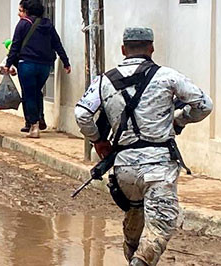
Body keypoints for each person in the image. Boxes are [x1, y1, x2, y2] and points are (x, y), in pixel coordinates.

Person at [74, 27, 213, 266]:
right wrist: (179, 120)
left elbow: (82, 113)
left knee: (135, 215)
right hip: (158, 166)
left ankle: (133, 256)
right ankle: (139, 262)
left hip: (124, 168)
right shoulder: (167, 76)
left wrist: (98, 140)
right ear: (151, 48)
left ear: (123, 50)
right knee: (161, 225)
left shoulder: (103, 80)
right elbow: (204, 104)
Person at [4, 0, 70, 138]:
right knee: (36, 91)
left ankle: (34, 126)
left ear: (27, 10)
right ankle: (40, 118)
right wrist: (66, 62)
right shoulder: (48, 25)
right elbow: (57, 44)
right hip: (45, 67)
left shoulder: (22, 24)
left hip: (26, 64)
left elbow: (15, 46)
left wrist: (8, 64)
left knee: (29, 95)